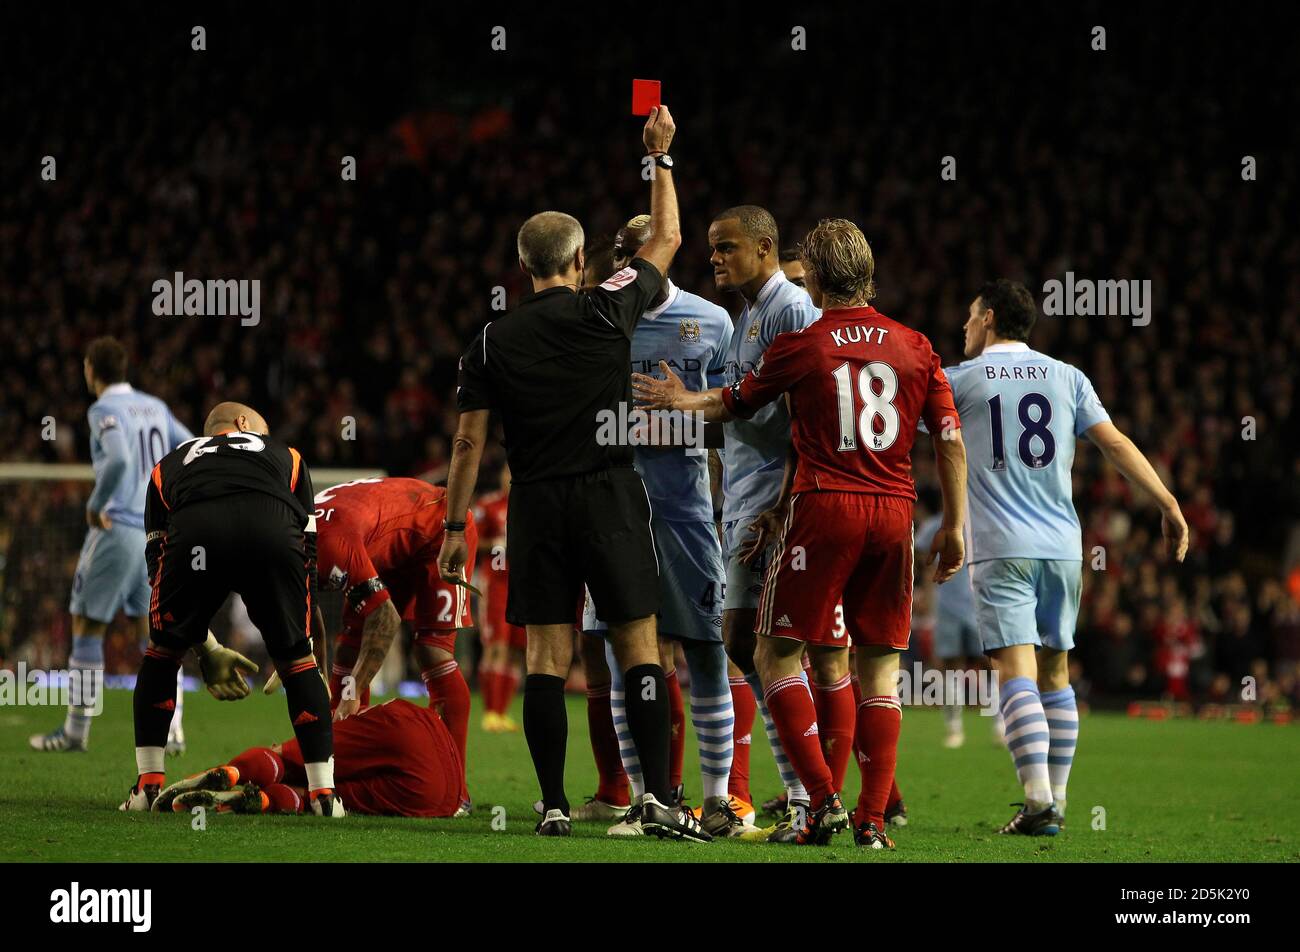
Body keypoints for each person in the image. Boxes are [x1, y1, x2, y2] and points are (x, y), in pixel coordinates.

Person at [634, 218, 969, 848]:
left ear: (813, 275)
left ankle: (820, 801)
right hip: (897, 513)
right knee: (880, 670)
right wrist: (954, 526)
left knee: (774, 653)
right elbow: (950, 441)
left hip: (824, 508)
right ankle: (872, 821)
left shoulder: (807, 343)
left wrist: (682, 401)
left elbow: (733, 402)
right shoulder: (917, 346)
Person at [437, 104, 707, 841]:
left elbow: (467, 446)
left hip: (536, 503)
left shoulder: (488, 342)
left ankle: (553, 804)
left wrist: (455, 526)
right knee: (637, 645)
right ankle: (655, 799)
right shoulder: (606, 308)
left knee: (547, 657)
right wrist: (660, 156)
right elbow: (670, 235)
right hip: (610, 493)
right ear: (582, 260)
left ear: (523, 267)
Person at [944, 279, 1188, 834]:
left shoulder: (958, 380)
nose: (962, 327)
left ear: (987, 319)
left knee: (1014, 668)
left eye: (968, 316)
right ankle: (1057, 800)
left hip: (1001, 548)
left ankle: (1036, 803)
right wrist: (1168, 501)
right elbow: (1115, 444)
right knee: (1057, 670)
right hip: (1062, 548)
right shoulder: (1067, 376)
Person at [577, 213, 747, 837]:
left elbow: (732, 422)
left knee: (704, 646)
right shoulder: (594, 317)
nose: (629, 265)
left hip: (684, 513)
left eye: (639, 253)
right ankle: (646, 798)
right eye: (622, 254)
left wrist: (672, 418)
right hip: (613, 515)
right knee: (627, 657)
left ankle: (719, 800)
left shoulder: (712, 323)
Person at [120, 402, 340, 818]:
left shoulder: (168, 465)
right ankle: (324, 797)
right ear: (244, 425)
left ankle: (148, 788)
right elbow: (308, 549)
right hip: (271, 532)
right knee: (297, 662)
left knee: (161, 654)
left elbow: (157, 562)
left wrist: (199, 643)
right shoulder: (287, 455)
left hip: (198, 536)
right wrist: (298, 642)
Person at [707, 205, 821, 840]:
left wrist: (782, 505)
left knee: (763, 644)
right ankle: (804, 789)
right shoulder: (744, 318)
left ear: (765, 247)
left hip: (775, 500)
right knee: (749, 643)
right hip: (744, 497)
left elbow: (808, 419)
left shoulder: (789, 313)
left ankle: (809, 793)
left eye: (726, 248)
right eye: (713, 249)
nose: (716, 258)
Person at [31, 337, 194, 755]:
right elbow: (191, 445)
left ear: (91, 369)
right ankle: (172, 730)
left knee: (87, 625)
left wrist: (95, 504)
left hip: (118, 525)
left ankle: (74, 733)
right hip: (157, 532)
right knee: (156, 636)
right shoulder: (155, 406)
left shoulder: (103, 409)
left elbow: (120, 459)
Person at [310, 476, 477, 810]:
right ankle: (338, 766)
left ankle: (455, 790)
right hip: (389, 541)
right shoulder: (297, 537)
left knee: (431, 649)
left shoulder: (330, 544)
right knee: (350, 643)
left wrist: (354, 689)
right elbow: (306, 605)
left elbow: (385, 619)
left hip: (439, 531)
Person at [152, 699, 463, 818]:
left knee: (300, 759)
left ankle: (235, 771)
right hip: (443, 799)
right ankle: (264, 801)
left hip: (404, 725)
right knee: (317, 795)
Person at [473, 463, 526, 733]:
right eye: (508, 473)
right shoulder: (488, 505)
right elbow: (472, 539)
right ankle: (489, 712)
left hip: (522, 586)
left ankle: (502, 712)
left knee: (516, 652)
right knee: (496, 647)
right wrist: (496, 544)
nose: (511, 478)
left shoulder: (529, 507)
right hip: (495, 585)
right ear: (501, 476)